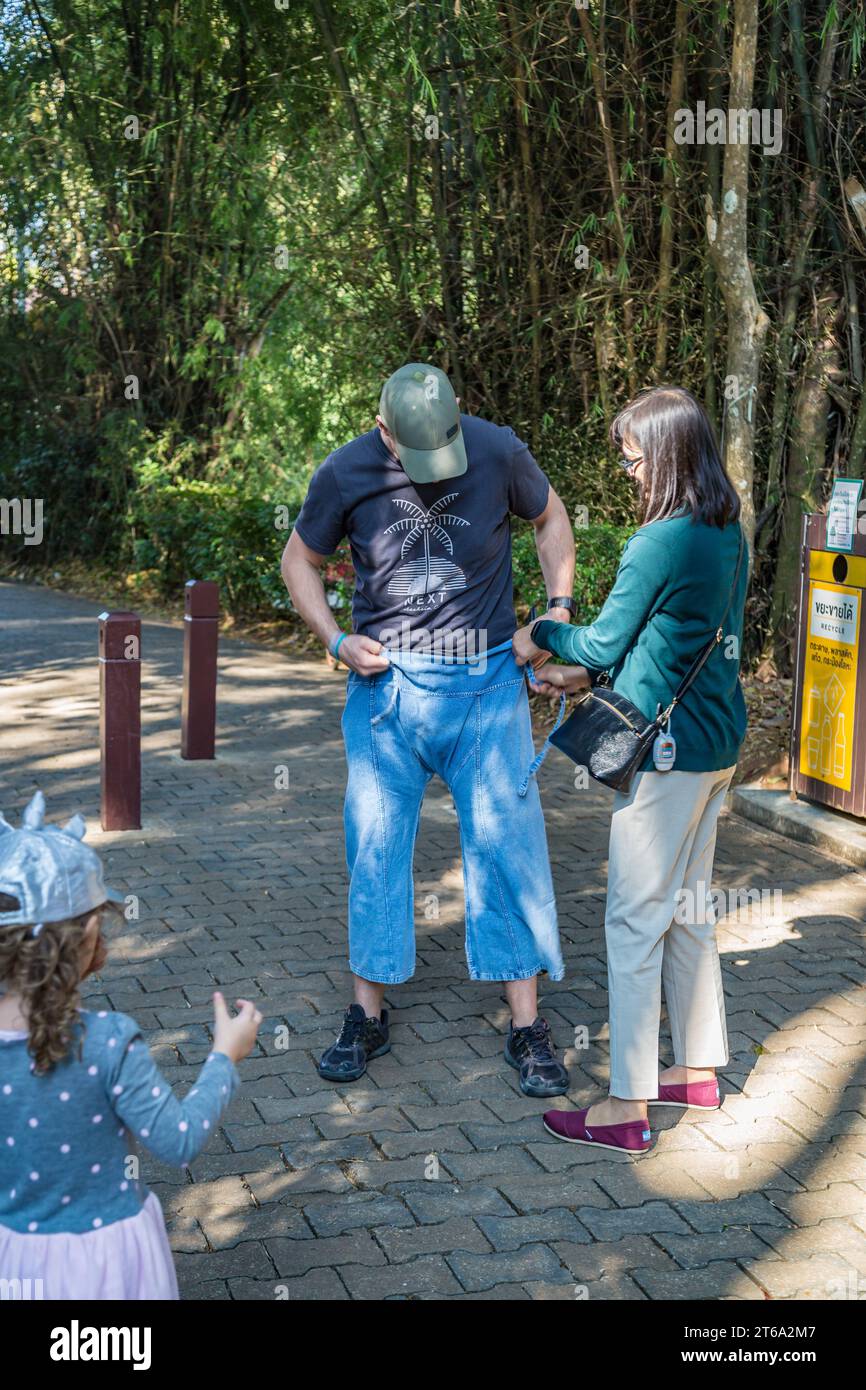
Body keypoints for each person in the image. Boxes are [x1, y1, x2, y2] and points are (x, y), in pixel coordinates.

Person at [281, 362, 576, 1096]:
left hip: (488, 686)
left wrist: (557, 611)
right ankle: (366, 1013)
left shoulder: (497, 448)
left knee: (505, 846)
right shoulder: (345, 470)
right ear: (383, 429)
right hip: (388, 690)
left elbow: (552, 519)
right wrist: (333, 640)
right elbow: (300, 560)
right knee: (375, 849)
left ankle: (526, 1024)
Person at [513, 385, 748, 1153]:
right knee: (688, 911)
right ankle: (699, 1070)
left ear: (668, 455)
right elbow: (676, 641)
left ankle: (626, 1106)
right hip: (717, 745)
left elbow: (606, 641)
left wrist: (545, 632)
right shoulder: (728, 531)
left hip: (669, 754)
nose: (627, 471)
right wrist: (580, 678)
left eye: (633, 457)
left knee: (633, 920)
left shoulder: (660, 540)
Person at [0, 791, 261, 1298]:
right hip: (107, 1263)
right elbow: (178, 1140)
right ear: (90, 935)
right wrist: (224, 1058)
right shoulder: (108, 1042)